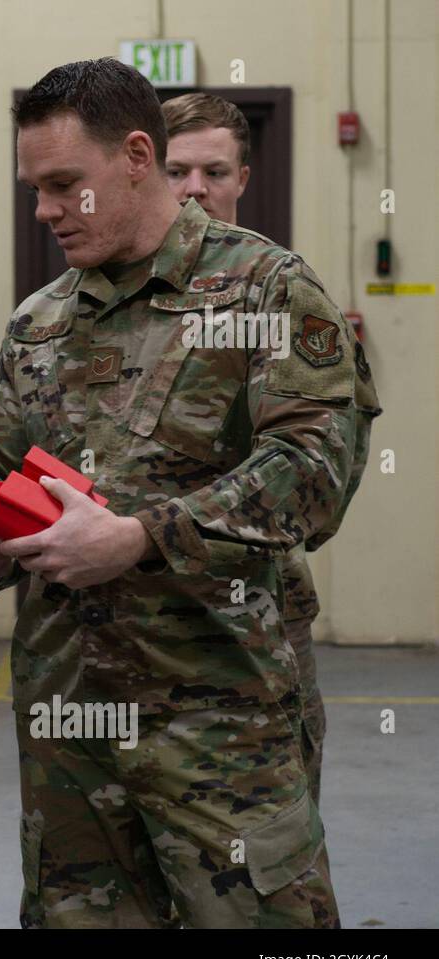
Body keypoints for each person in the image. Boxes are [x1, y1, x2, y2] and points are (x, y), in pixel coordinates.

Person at [0, 58, 370, 928]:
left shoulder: (267, 288)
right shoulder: (37, 323)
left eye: (63, 185)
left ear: (136, 156)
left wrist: (141, 536)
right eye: (34, 189)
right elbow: (7, 484)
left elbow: (318, 474)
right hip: (69, 731)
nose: (45, 209)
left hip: (218, 723)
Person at [163, 92, 383, 805]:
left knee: (265, 846)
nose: (196, 189)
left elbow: (324, 480)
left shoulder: (278, 291)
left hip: (253, 618)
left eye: (215, 172)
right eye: (177, 171)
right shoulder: (107, 297)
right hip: (124, 627)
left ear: (243, 180)